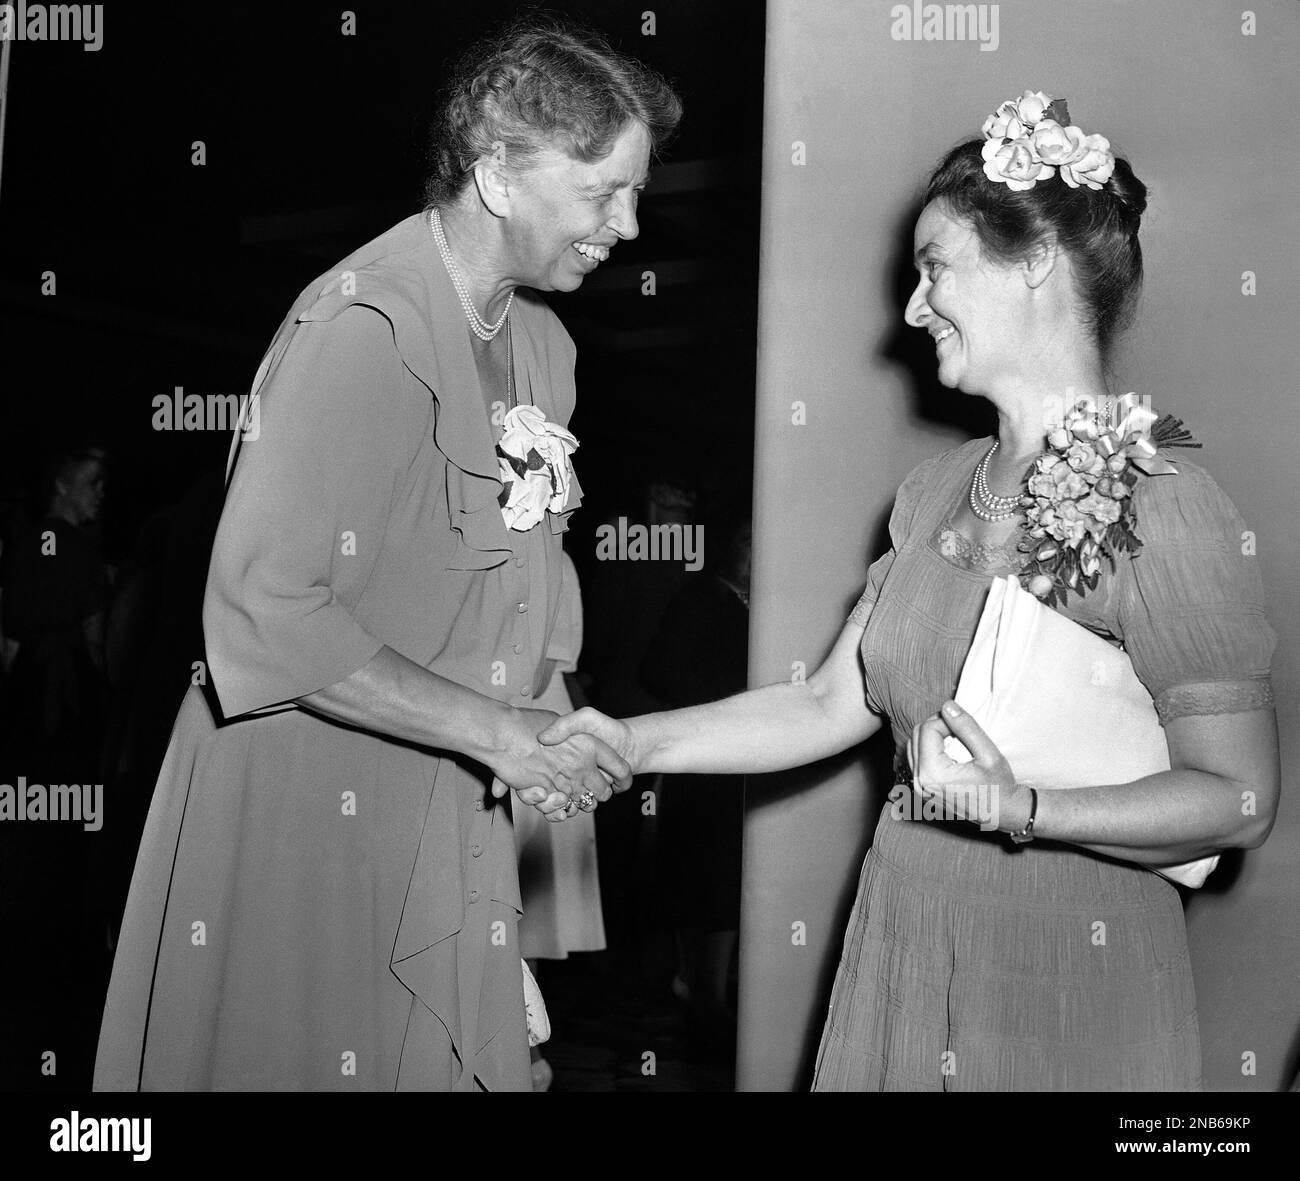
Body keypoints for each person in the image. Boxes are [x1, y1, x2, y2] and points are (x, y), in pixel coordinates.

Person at [542, 91, 1280, 1091]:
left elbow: (1235, 798)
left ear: (1032, 263)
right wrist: (636, 744)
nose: (910, 307)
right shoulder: (932, 491)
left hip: (1063, 971)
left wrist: (1023, 806)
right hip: (903, 922)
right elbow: (822, 702)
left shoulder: (1166, 499)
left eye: (934, 269)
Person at [94, 16, 680, 1092]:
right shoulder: (365, 326)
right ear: (499, 174)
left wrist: (544, 785)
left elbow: (520, 607)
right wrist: (498, 733)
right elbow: (269, 608)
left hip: (450, 793)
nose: (629, 226)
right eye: (604, 192)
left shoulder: (545, 345)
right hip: (311, 804)